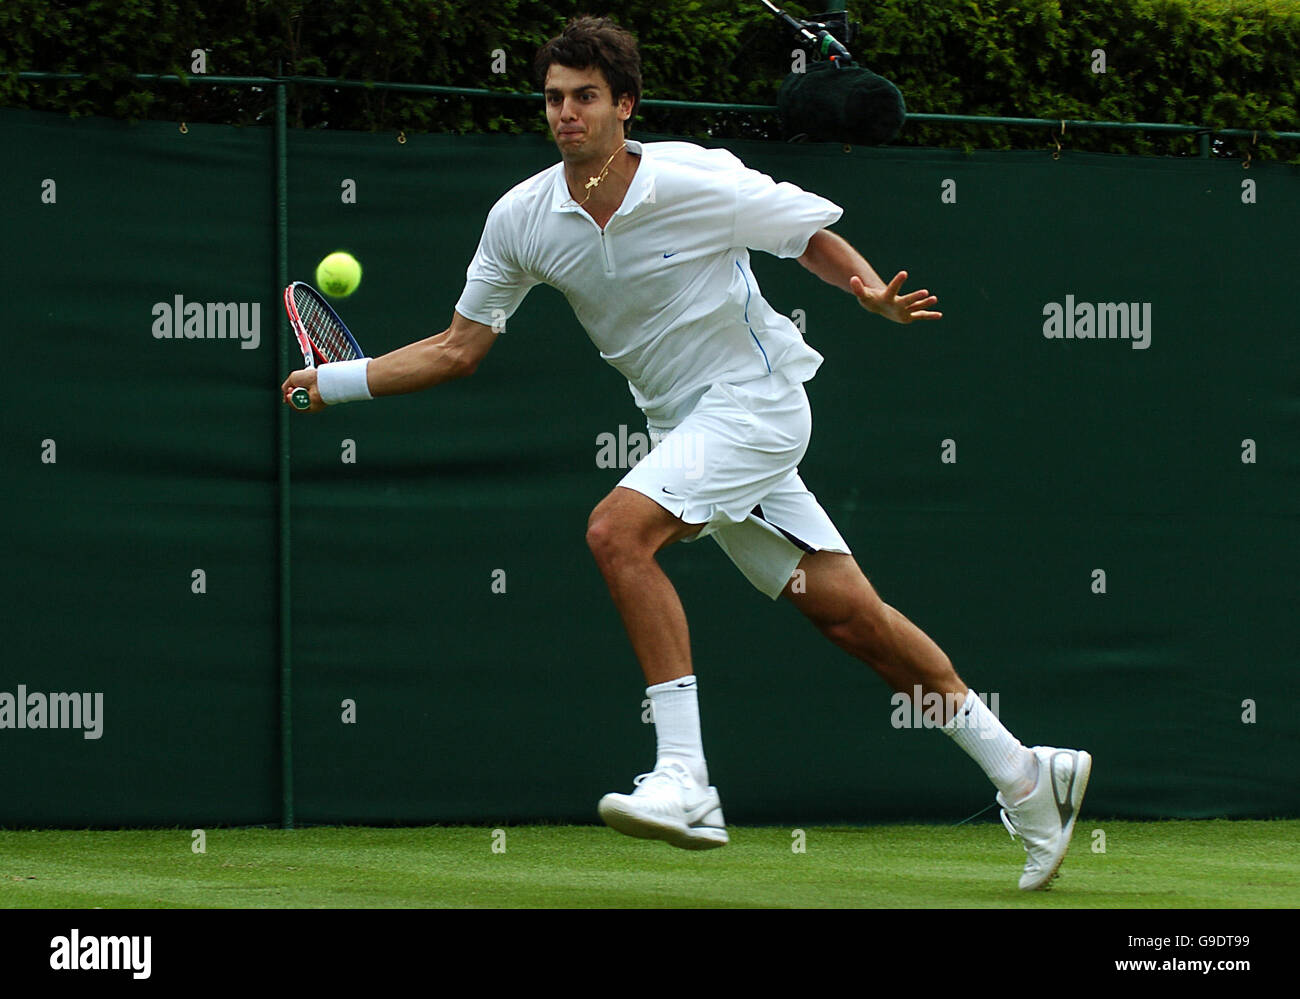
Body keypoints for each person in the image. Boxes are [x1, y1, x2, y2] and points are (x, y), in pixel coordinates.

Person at [282, 15, 1091, 890]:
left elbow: (803, 232)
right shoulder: (521, 218)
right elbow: (458, 347)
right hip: (688, 429)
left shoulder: (696, 179)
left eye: (585, 97)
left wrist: (865, 291)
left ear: (624, 105)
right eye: (553, 98)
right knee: (852, 617)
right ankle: (1025, 772)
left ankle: (685, 779)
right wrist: (336, 383)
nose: (566, 114)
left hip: (758, 404)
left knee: (615, 532)